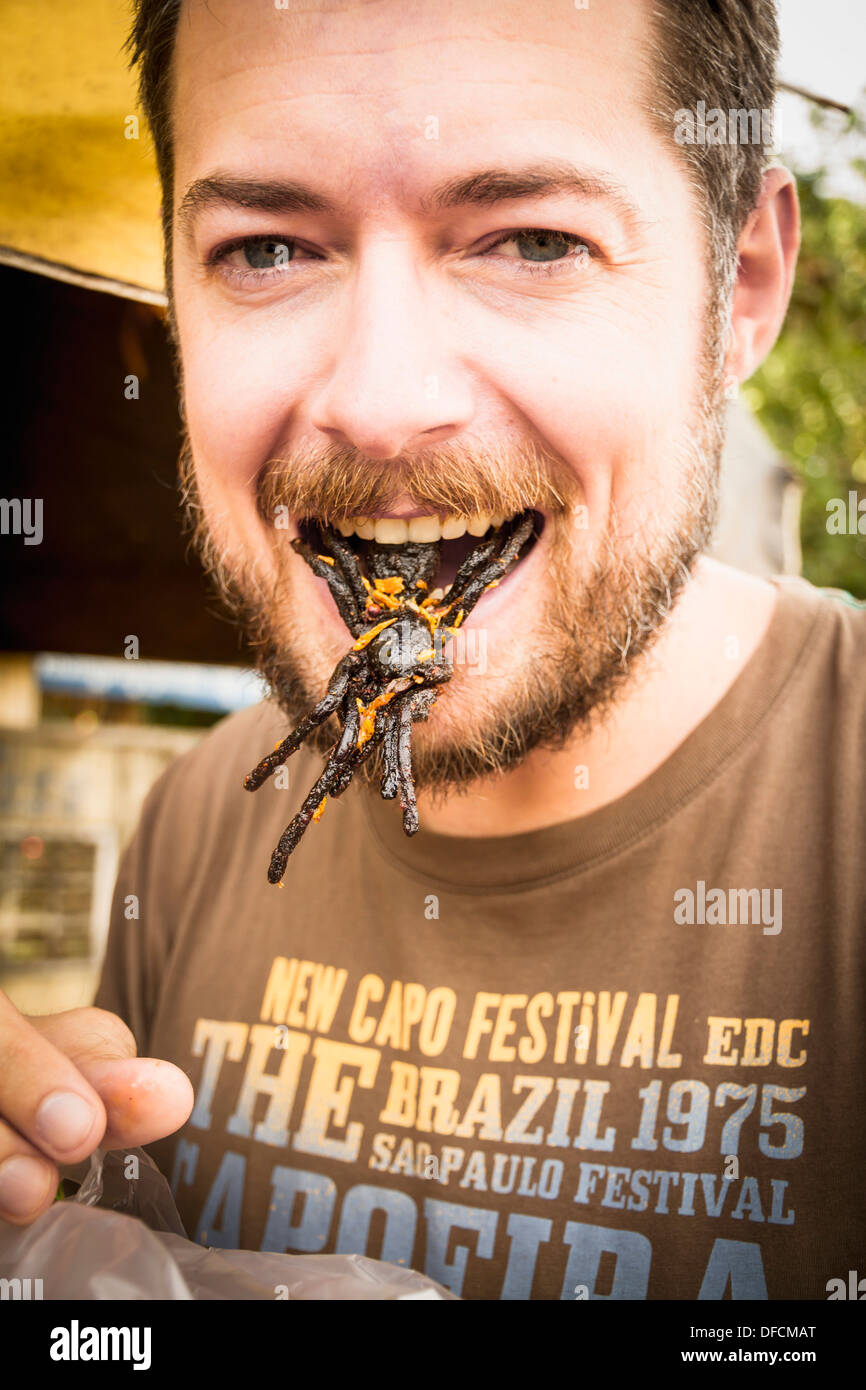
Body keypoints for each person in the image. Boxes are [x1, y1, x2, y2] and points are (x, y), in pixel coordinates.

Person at [0, 0, 862, 1301]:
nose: (381, 400)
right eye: (266, 248)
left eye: (534, 239)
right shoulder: (197, 824)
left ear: (739, 286)